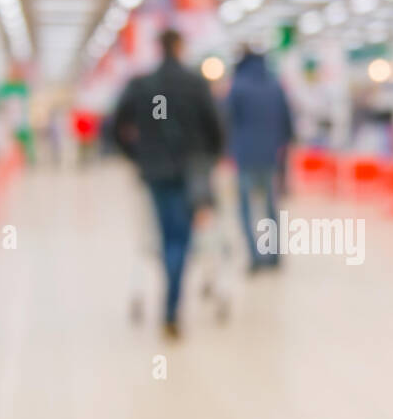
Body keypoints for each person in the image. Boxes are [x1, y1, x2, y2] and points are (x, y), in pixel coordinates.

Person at [112, 29, 223, 338]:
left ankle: (171, 302)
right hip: (189, 172)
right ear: (180, 46)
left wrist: (137, 156)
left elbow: (113, 128)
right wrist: (207, 161)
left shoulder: (142, 85)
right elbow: (215, 130)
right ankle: (171, 307)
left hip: (155, 174)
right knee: (181, 239)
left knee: (166, 235)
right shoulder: (195, 84)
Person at [226, 45, 294, 272]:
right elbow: (287, 121)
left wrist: (228, 150)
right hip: (270, 154)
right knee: (269, 207)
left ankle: (255, 255)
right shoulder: (274, 85)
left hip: (245, 155)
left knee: (246, 208)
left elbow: (228, 120)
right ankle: (274, 255)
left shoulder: (238, 86)